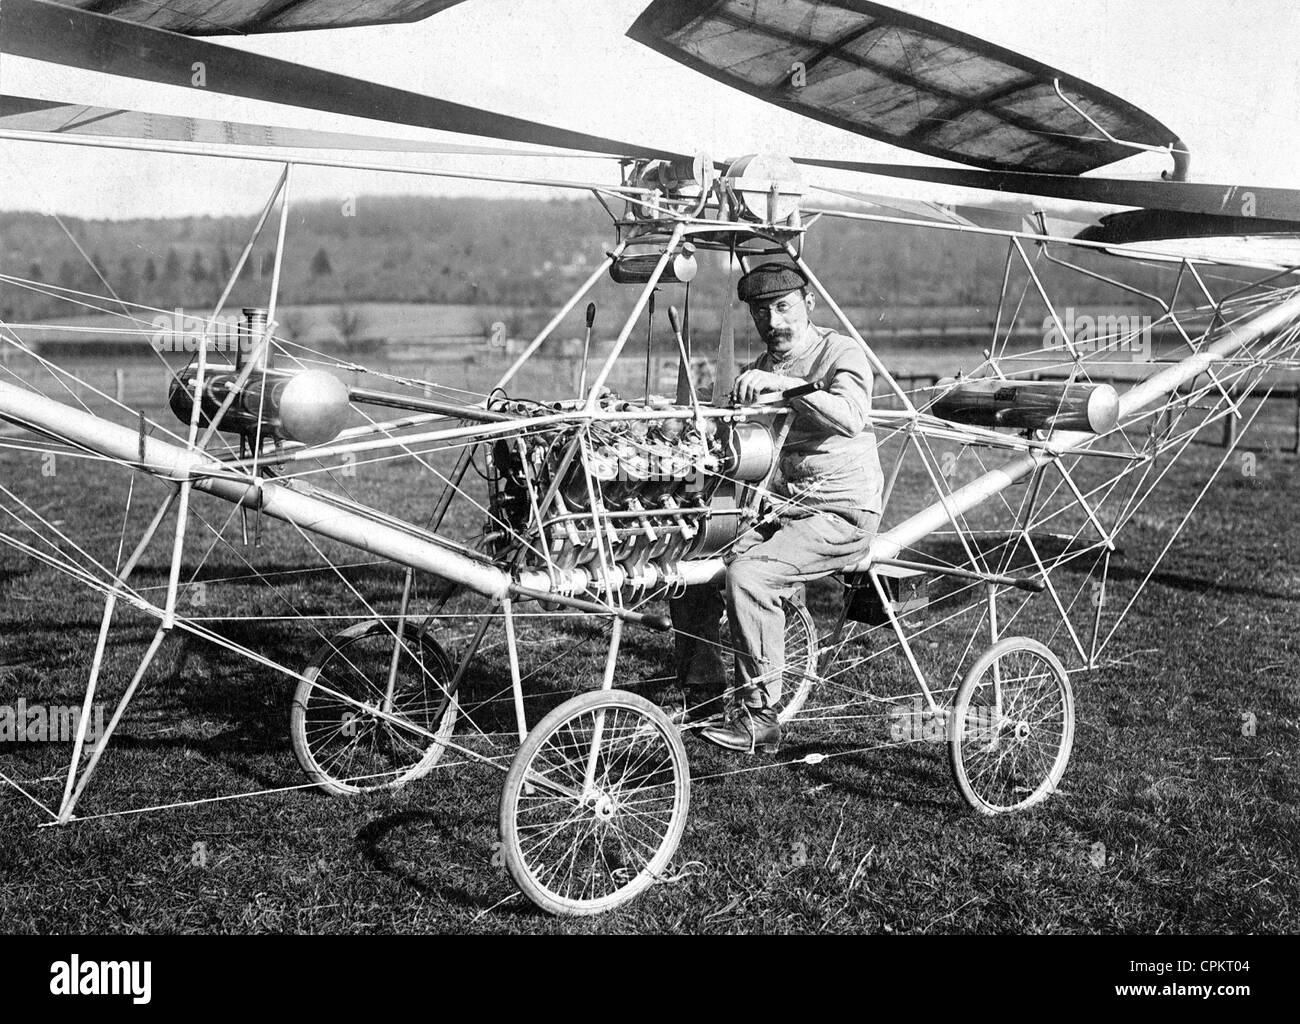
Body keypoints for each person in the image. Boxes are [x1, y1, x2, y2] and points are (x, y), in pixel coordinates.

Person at [669, 261, 884, 754]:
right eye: (761, 312)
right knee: (688, 571)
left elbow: (852, 417)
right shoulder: (758, 370)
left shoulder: (839, 351)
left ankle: (762, 716)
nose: (774, 322)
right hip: (779, 510)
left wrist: (785, 388)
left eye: (784, 307)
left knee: (751, 576)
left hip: (841, 512)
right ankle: (703, 696)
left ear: (809, 304)